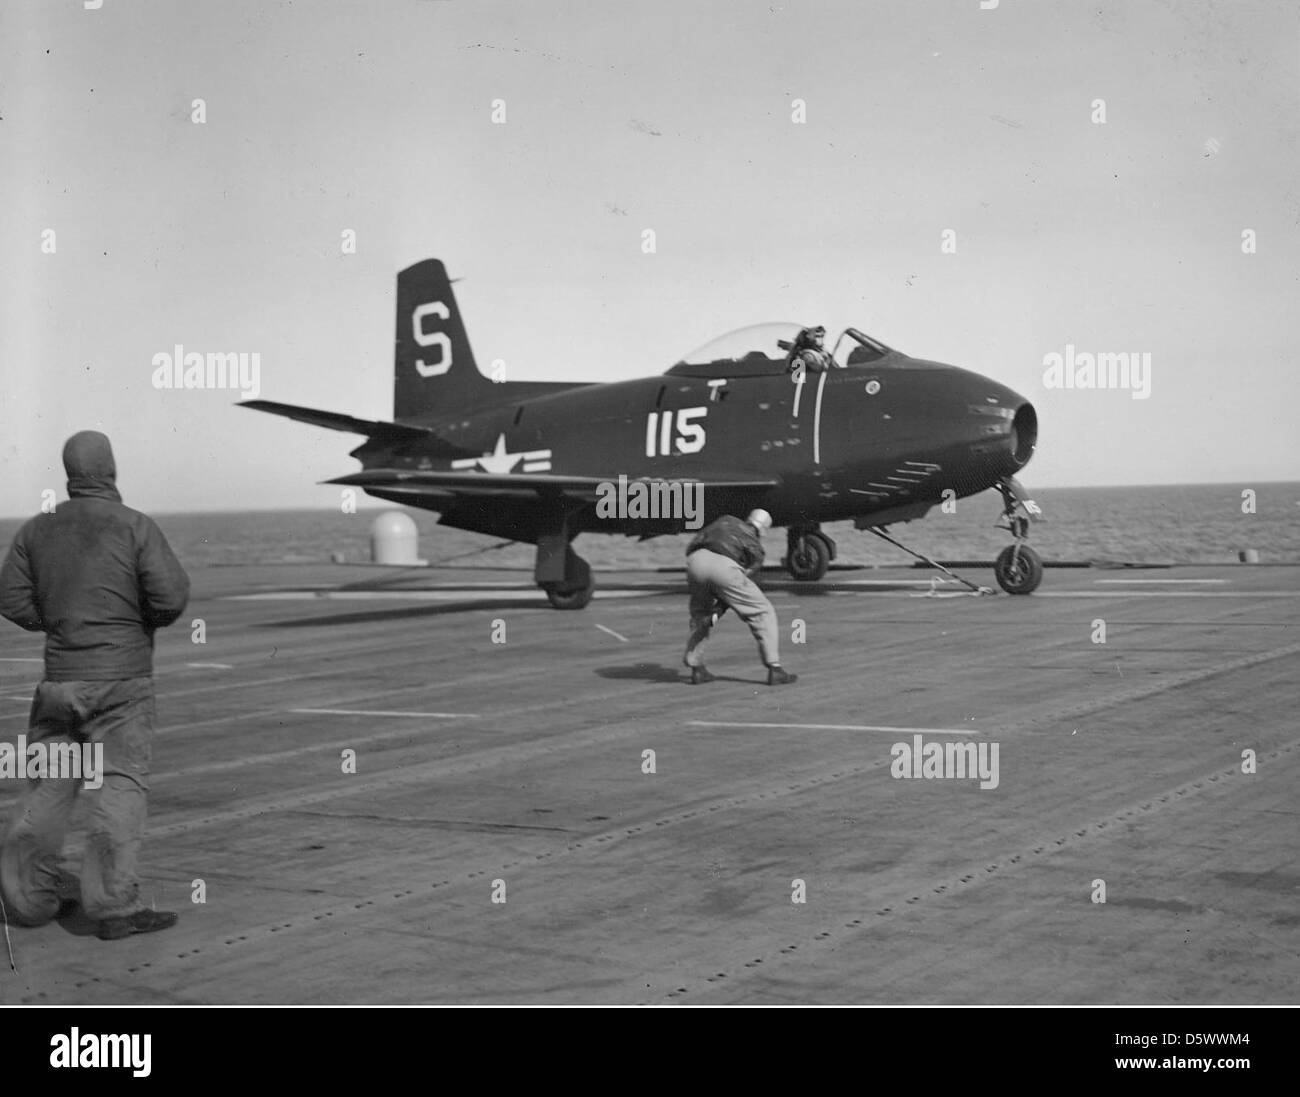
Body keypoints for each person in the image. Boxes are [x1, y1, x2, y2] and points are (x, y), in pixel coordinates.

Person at [0, 431, 190, 940]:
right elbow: (171, 597)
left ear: (69, 473)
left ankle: (28, 901)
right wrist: (130, 624)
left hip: (59, 681)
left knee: (48, 787)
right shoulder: (134, 526)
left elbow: (12, 599)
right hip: (122, 682)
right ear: (111, 469)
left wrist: (63, 624)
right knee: (120, 786)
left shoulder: (36, 531)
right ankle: (113, 909)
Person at [682, 509, 797, 686]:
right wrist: (724, 601)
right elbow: (743, 576)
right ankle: (775, 668)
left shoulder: (724, 519)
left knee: (700, 615)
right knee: (762, 611)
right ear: (762, 530)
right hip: (725, 569)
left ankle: (696, 668)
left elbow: (692, 546)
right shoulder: (756, 545)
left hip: (695, 562)